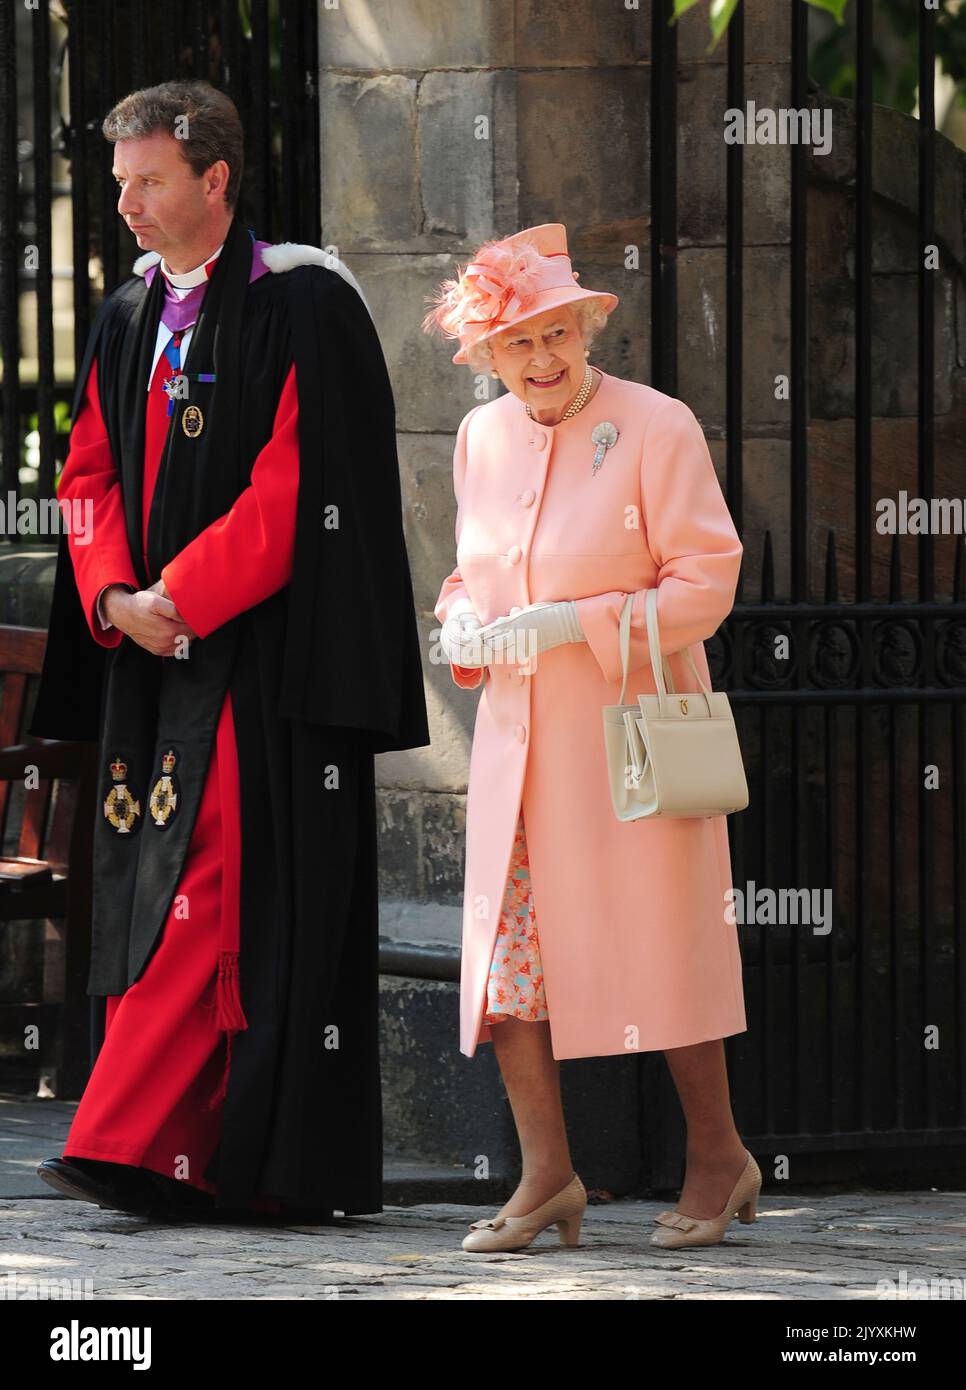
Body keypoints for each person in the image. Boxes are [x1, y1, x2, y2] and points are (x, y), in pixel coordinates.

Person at [30, 79, 429, 1222]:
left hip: (261, 670)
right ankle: (164, 1147)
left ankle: (138, 1139)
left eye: (147, 180)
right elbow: (87, 477)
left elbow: (295, 492)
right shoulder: (125, 316)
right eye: (118, 183)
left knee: (216, 894)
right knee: (153, 886)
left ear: (216, 178)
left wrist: (179, 595)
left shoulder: (304, 303)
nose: (127, 205)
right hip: (148, 661)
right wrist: (112, 593)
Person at [423, 223, 760, 1252]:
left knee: (663, 944)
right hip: (515, 749)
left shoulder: (656, 427)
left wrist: (581, 620)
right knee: (511, 966)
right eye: (517, 343)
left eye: (556, 333)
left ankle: (719, 1155)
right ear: (487, 355)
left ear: (584, 327)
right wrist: (457, 620)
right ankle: (548, 1175)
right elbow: (470, 572)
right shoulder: (480, 439)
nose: (541, 358)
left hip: (627, 742)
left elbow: (708, 582)